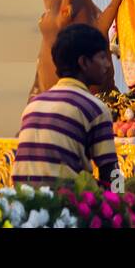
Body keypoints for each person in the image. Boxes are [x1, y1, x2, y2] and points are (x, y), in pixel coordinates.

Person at [11, 23, 118, 187]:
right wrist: (127, 203)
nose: (108, 64)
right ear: (84, 62)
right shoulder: (95, 108)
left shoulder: (34, 105)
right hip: (66, 204)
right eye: (103, 57)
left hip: (23, 201)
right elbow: (111, 173)